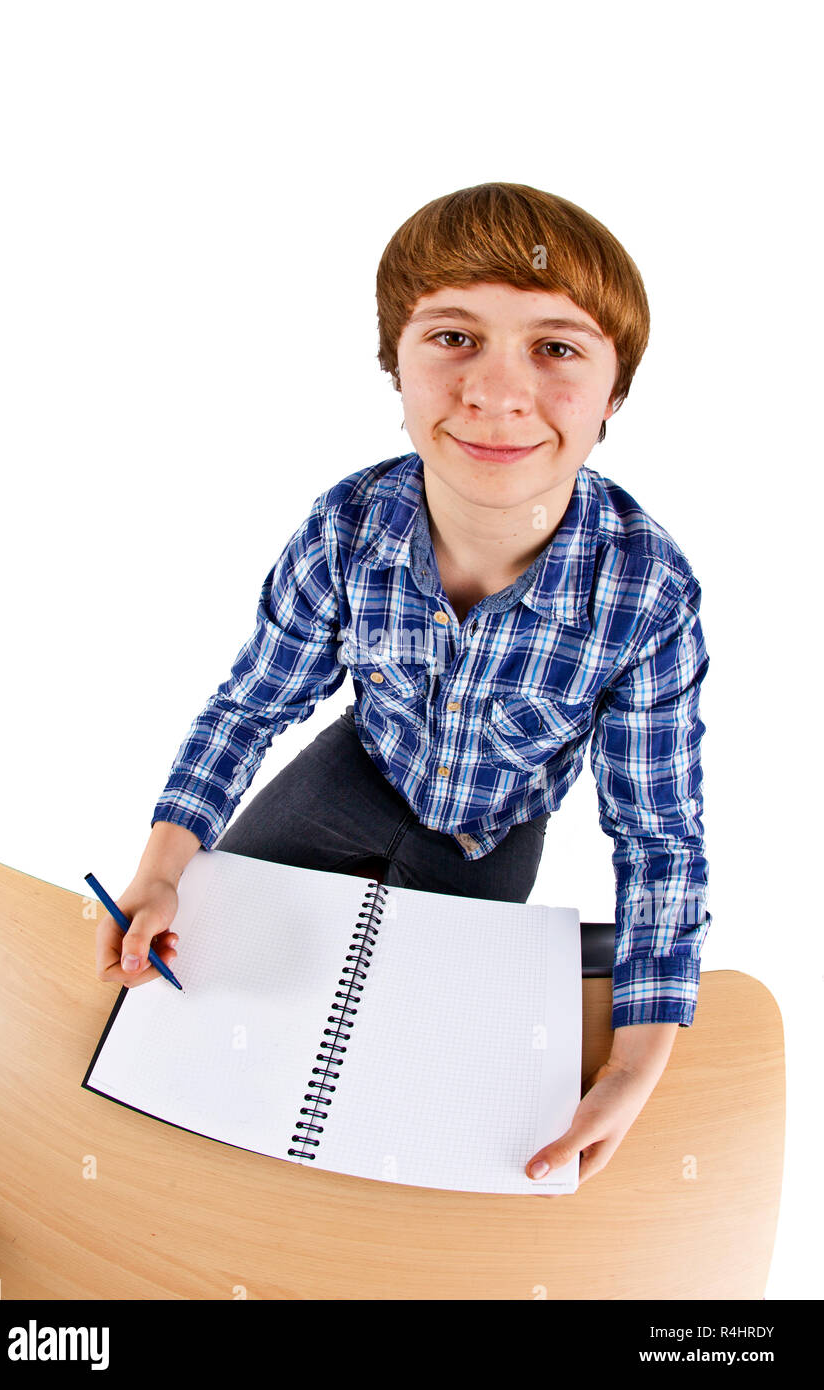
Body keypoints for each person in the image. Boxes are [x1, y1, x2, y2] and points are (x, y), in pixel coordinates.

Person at [96, 182, 711, 1188]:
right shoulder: (346, 526)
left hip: (491, 832)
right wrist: (161, 868)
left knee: (403, 1073)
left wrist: (638, 1060)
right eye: (453, 338)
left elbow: (659, 838)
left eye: (554, 348)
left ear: (613, 396)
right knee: (196, 988)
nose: (495, 392)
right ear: (394, 369)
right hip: (351, 773)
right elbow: (250, 706)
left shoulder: (645, 596)